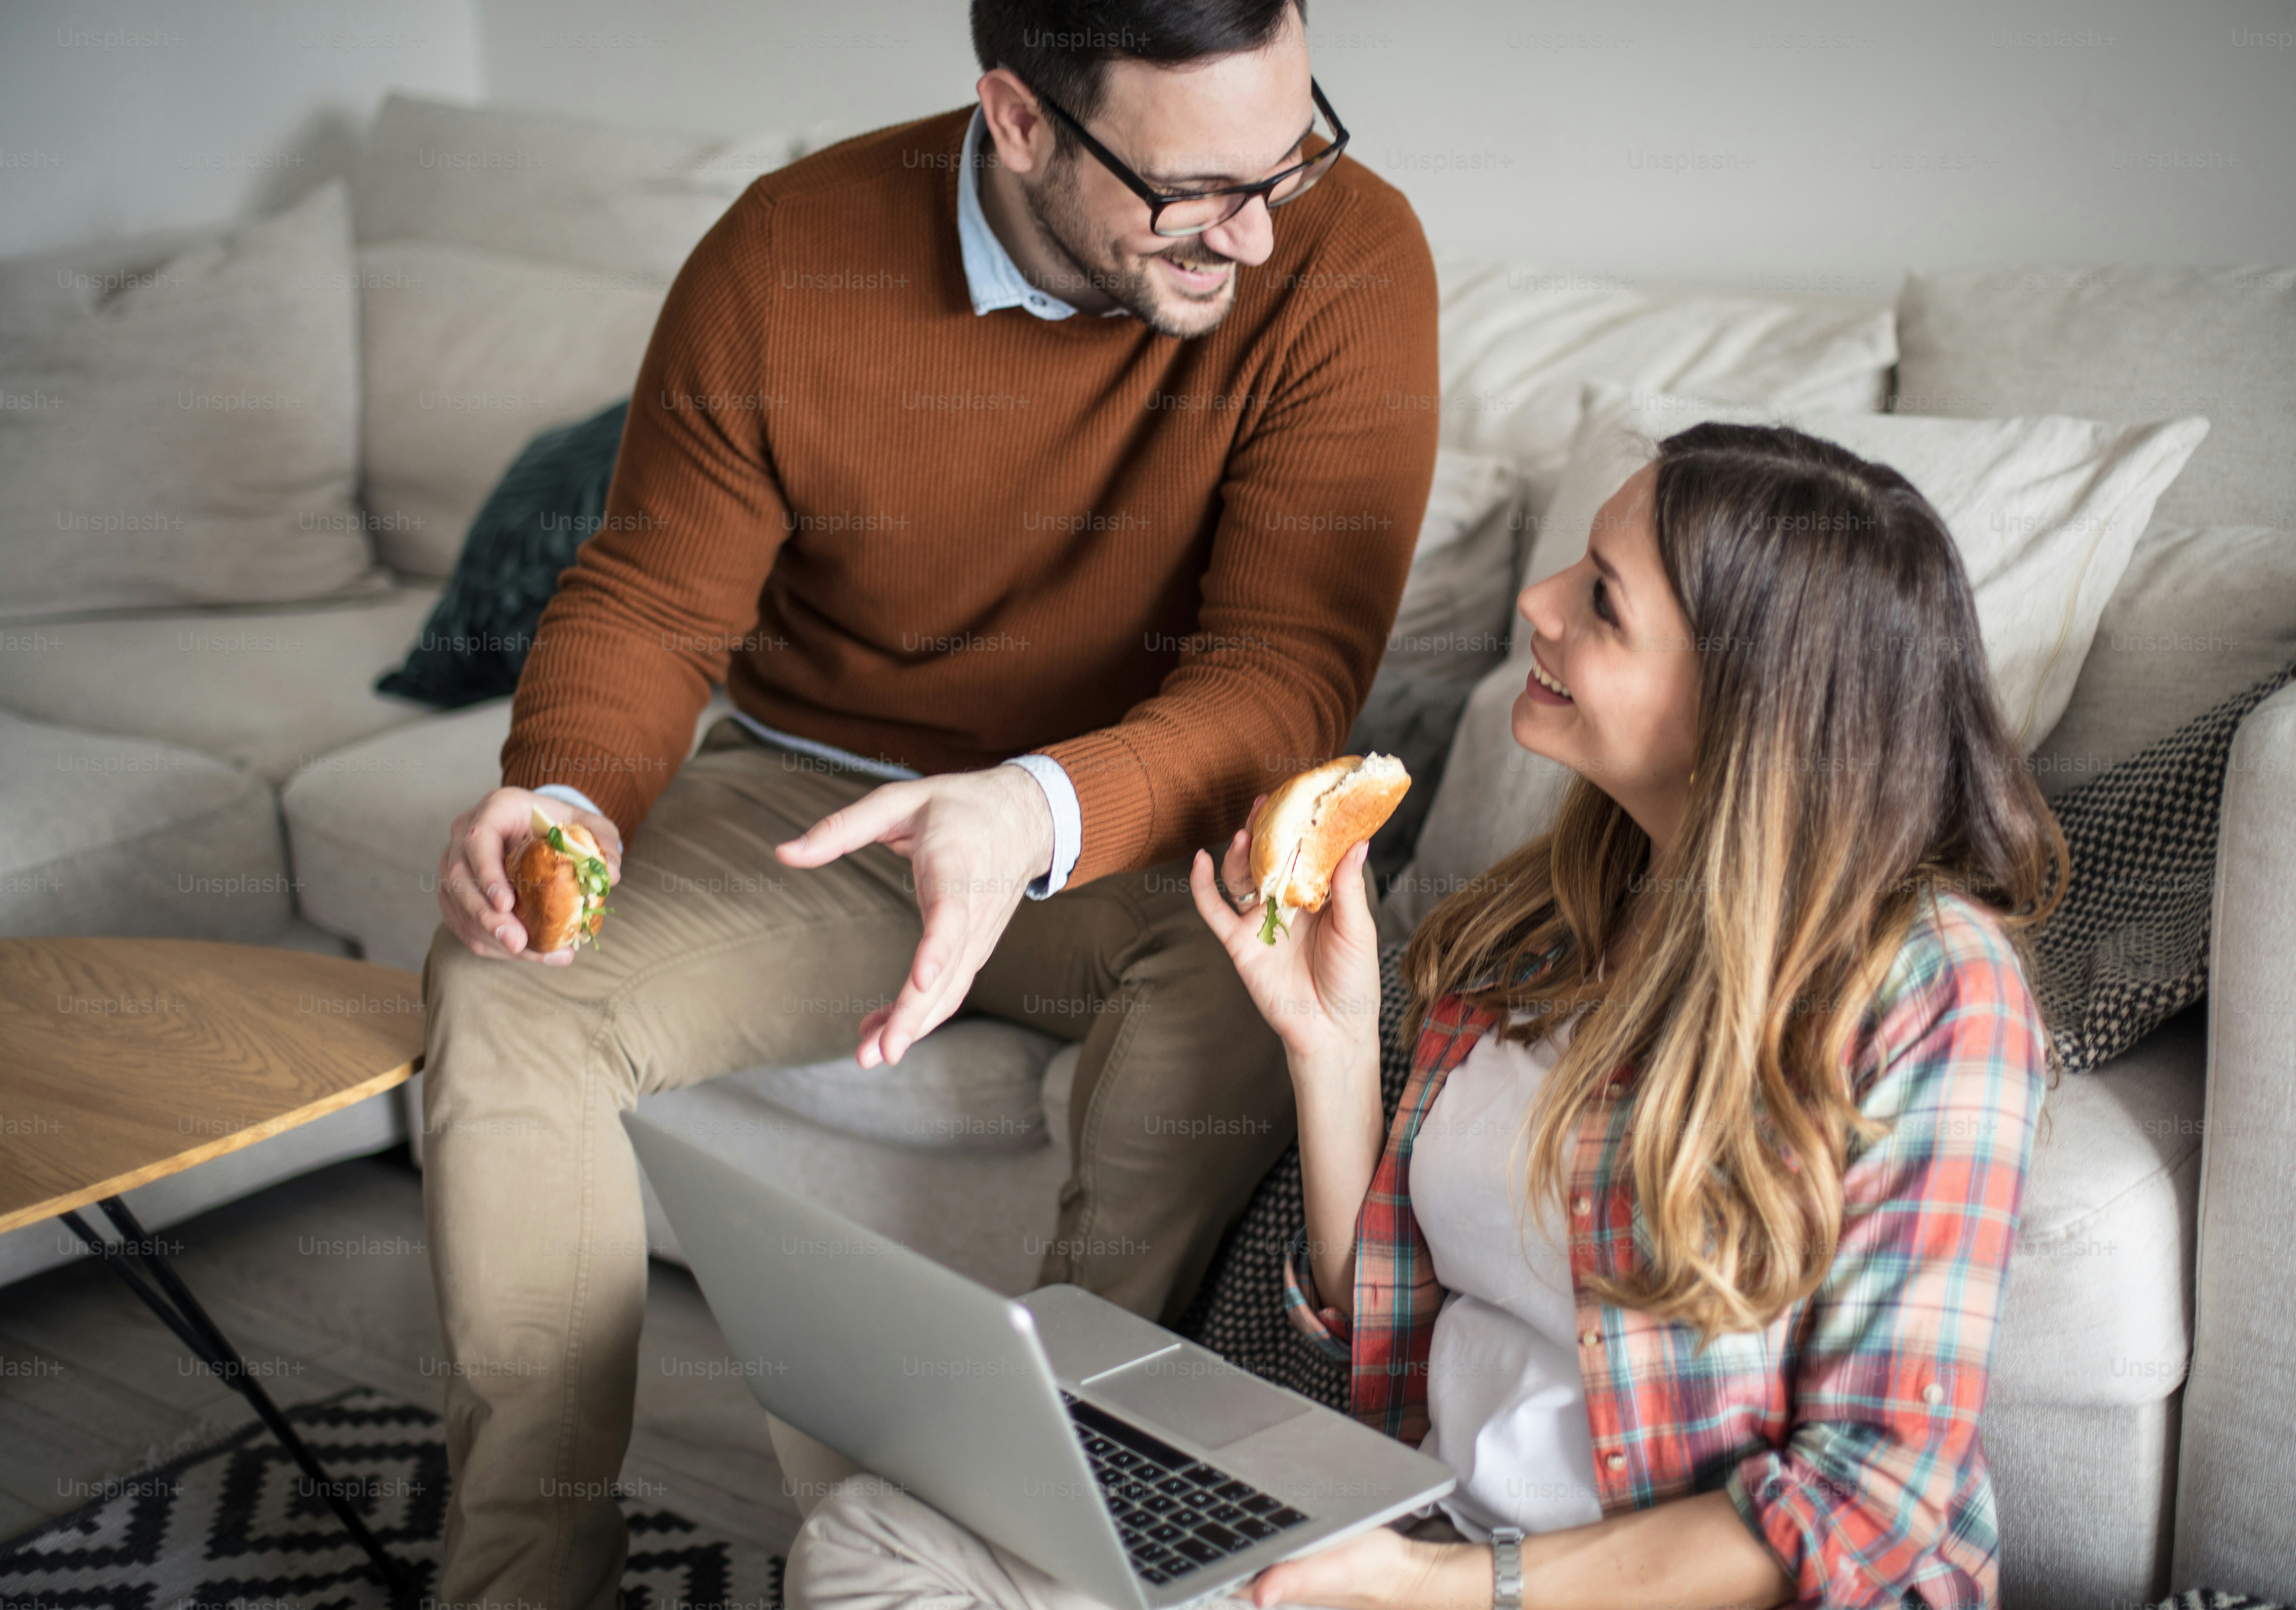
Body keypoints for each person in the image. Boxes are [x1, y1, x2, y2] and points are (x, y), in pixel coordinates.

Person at [415, 0, 1439, 1603]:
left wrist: (1033, 809)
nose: (1249, 235)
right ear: (1019, 120)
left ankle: (1035, 1544)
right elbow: (654, 596)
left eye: (1289, 156)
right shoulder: (785, 254)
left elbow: (1282, 670)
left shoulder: (1345, 254)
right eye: (1192, 191)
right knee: (502, 987)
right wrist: (566, 789)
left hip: (1127, 827)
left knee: (1262, 973)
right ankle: (522, 1581)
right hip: (817, 800)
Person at [782, 423, 2064, 1610]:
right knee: (872, 1526)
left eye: (1601, 604)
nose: (1538, 604)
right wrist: (1329, 1047)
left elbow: (1870, 1501)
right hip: (1425, 1541)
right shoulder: (1553, 918)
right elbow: (1390, 1343)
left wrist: (1435, 1585)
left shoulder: (1931, 989)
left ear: (1743, 709)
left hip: (1538, 1586)